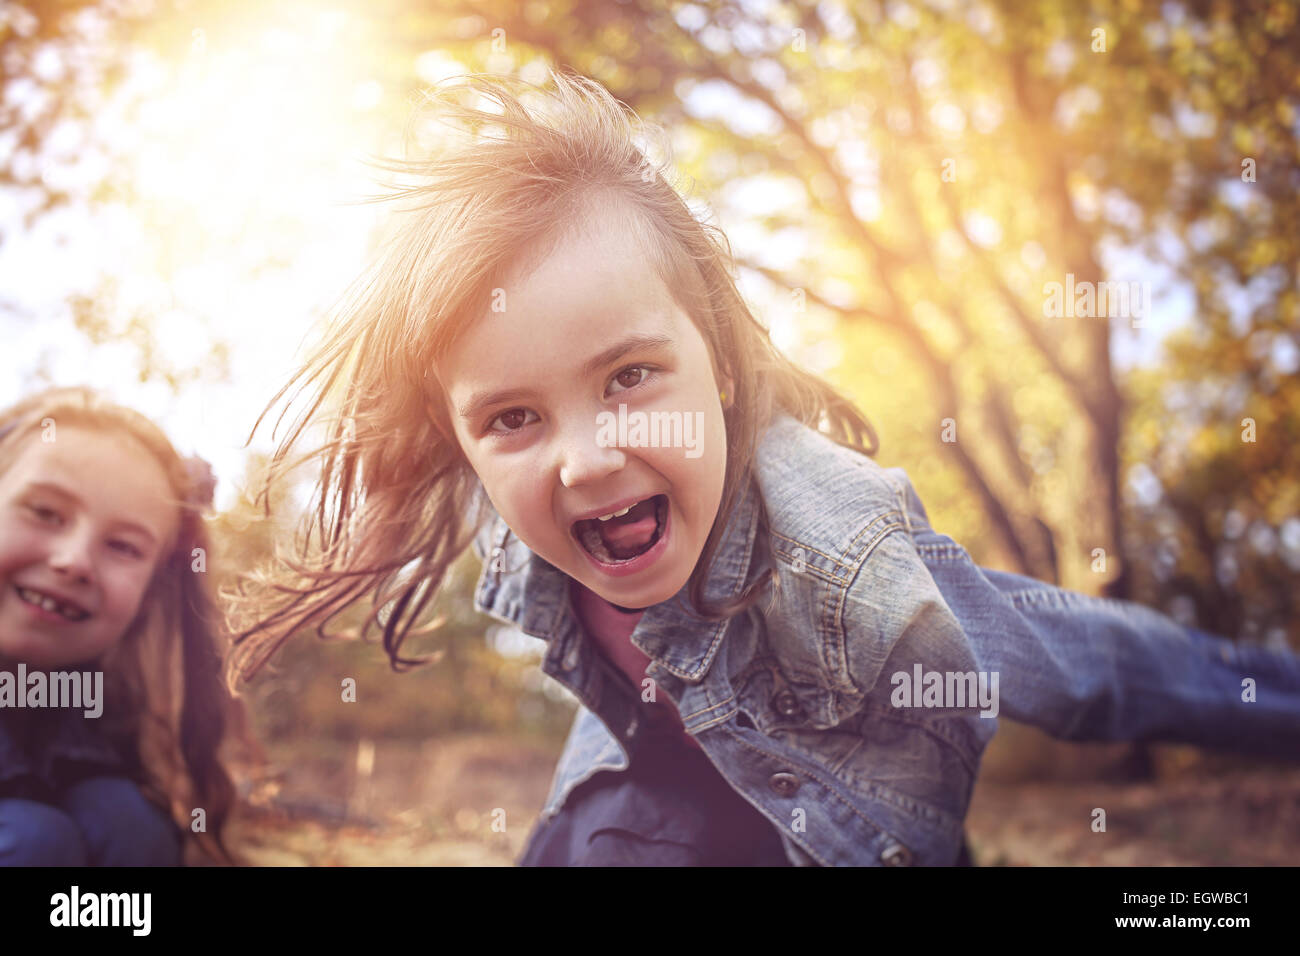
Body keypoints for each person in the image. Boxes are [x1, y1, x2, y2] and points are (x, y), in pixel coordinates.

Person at [224, 70, 1300, 866]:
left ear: (723, 366)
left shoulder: (842, 551)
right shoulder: (526, 511)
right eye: (511, 415)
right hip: (646, 807)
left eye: (631, 375)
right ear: (463, 440)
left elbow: (1087, 660)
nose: (588, 459)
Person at [0, 386, 240, 866]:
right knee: (36, 840)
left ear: (150, 596)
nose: (74, 561)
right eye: (45, 513)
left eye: (124, 547)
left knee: (129, 822)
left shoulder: (111, 714)